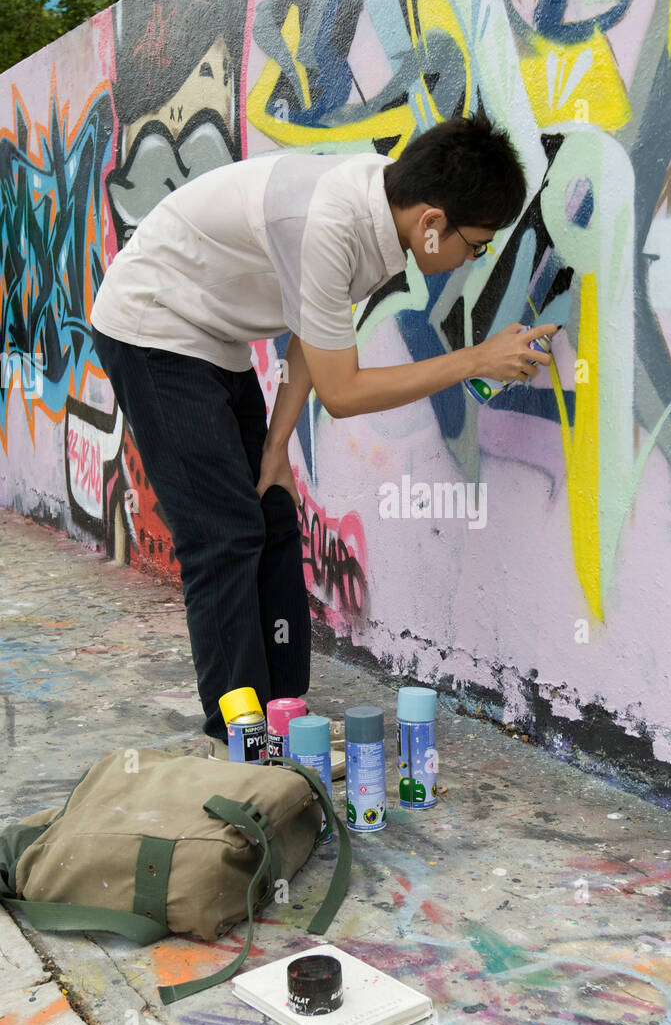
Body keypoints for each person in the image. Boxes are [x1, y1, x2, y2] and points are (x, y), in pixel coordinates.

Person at [88, 112, 556, 747]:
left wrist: (277, 445)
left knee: (272, 508)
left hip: (211, 337)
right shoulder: (331, 223)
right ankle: (244, 735)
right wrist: (475, 359)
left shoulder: (376, 211)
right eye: (476, 244)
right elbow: (342, 392)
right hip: (153, 327)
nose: (474, 257)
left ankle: (283, 710)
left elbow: (317, 334)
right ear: (432, 223)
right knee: (223, 536)